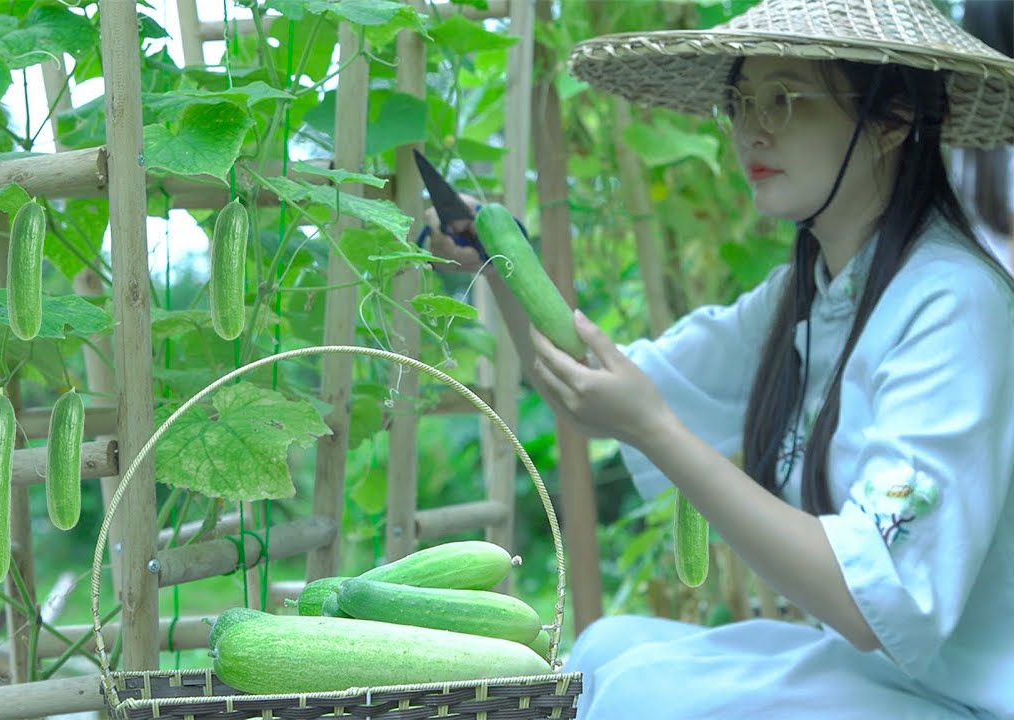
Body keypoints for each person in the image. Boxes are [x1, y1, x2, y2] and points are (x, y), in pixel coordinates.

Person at [422, 0, 1014, 717]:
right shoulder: (803, 296)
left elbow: (869, 600)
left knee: (641, 693)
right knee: (604, 646)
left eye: (786, 99)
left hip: (969, 698)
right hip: (879, 675)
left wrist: (657, 433)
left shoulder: (956, 304)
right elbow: (593, 386)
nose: (750, 130)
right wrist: (501, 255)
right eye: (740, 101)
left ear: (890, 119)